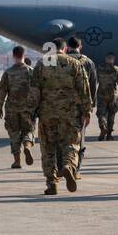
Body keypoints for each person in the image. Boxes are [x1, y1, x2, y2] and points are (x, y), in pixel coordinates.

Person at [30, 37, 92, 196]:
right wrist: (87, 111)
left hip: (47, 114)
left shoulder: (42, 64)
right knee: (71, 144)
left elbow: (34, 91)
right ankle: (68, 166)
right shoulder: (74, 63)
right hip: (70, 114)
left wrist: (32, 113)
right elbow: (84, 89)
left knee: (48, 148)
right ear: (65, 49)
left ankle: (52, 183)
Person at [0, 45, 35, 168]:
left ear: (13, 56)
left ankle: (17, 161)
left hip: (11, 108)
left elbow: (2, 92)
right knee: (28, 130)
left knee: (14, 133)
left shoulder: (8, 73)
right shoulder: (31, 71)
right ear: (24, 55)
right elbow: (37, 91)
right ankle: (27, 146)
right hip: (27, 108)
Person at [65, 35, 98, 171]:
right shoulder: (88, 62)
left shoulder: (60, 61)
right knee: (79, 138)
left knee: (62, 137)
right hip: (81, 106)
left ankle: (63, 164)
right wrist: (90, 108)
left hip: (62, 105)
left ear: (67, 47)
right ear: (80, 47)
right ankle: (75, 168)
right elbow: (92, 85)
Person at [96, 52, 118, 140]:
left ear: (106, 59)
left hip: (101, 94)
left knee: (101, 113)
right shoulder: (116, 70)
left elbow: (94, 82)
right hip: (113, 95)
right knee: (111, 114)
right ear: (113, 60)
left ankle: (103, 127)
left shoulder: (99, 68)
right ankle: (109, 134)